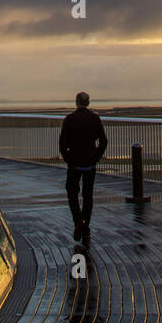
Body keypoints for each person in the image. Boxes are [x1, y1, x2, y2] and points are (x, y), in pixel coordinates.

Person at [59, 91, 108, 245]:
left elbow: (62, 144)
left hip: (74, 163)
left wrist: (69, 159)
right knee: (88, 196)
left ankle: (78, 220)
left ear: (76, 102)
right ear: (88, 102)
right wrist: (96, 157)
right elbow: (104, 141)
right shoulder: (95, 118)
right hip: (89, 164)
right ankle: (85, 226)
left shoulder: (69, 119)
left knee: (72, 192)